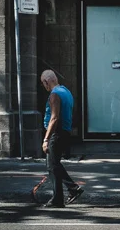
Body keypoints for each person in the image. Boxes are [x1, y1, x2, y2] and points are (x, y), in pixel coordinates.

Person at [41, 69, 83, 208]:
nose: (44, 87)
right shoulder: (66, 91)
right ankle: (62, 195)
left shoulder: (54, 95)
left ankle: (67, 192)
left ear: (47, 82)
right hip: (65, 132)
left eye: (43, 83)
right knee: (54, 164)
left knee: (52, 165)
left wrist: (46, 139)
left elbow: (54, 118)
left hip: (56, 133)